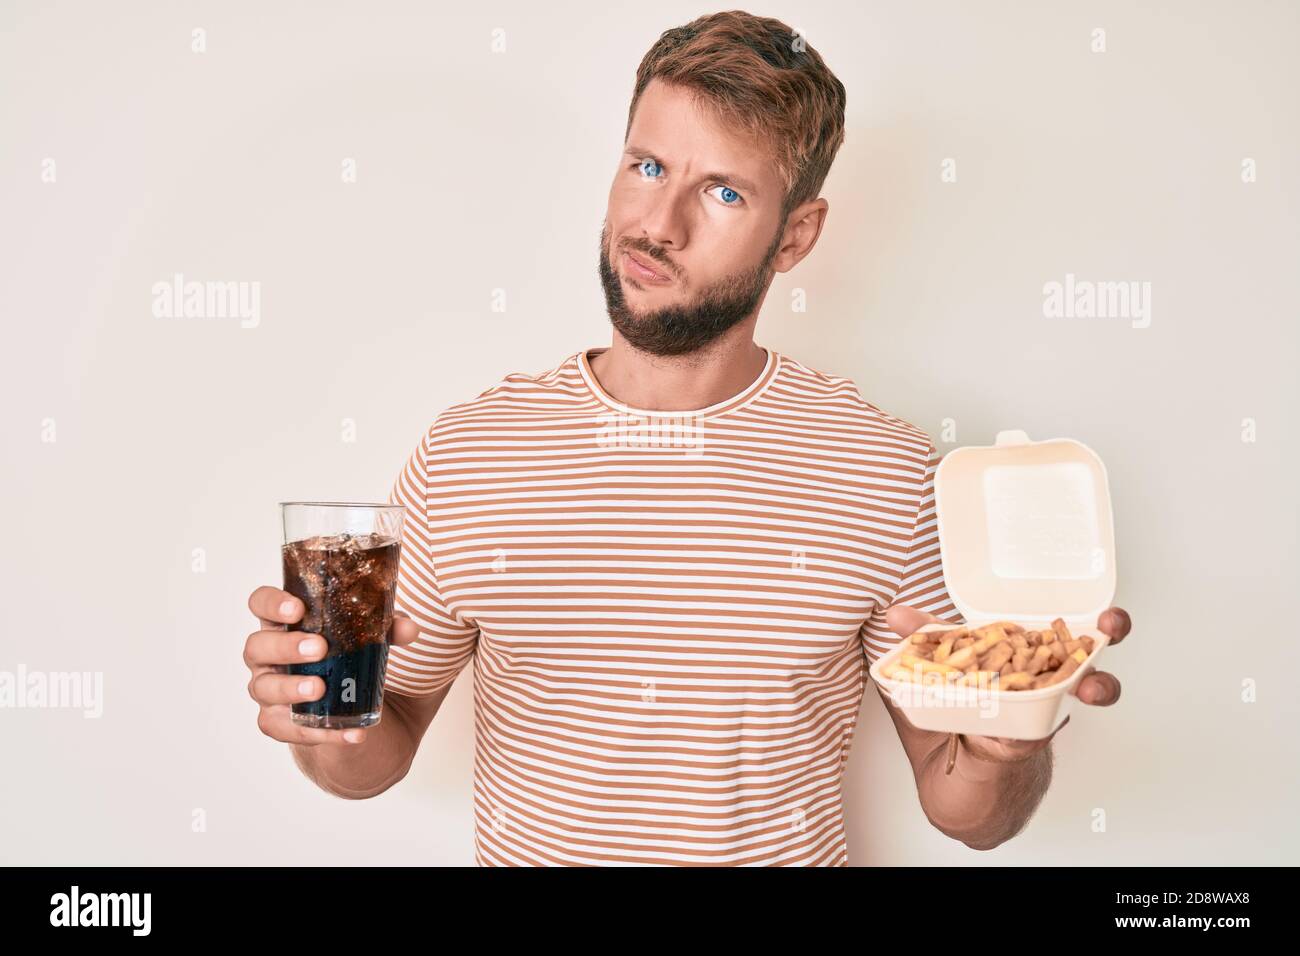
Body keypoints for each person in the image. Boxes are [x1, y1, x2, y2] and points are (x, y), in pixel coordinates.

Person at [244, 10, 1131, 865]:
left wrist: (1005, 744)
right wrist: (318, 715)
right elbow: (375, 755)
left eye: (724, 191)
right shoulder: (471, 452)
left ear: (797, 237)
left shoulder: (883, 469)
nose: (658, 226)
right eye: (646, 166)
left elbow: (966, 813)